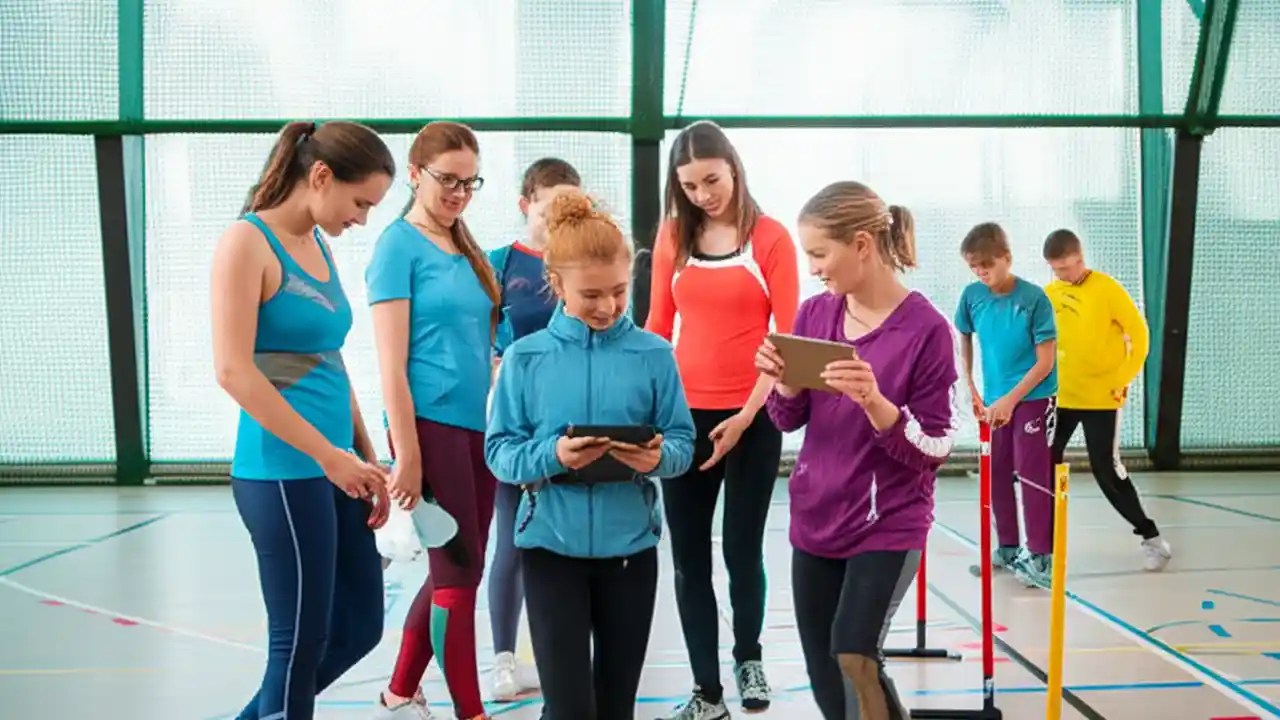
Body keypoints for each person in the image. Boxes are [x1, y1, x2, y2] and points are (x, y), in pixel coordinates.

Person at [484, 190, 696, 720]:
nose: (607, 307)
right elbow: (500, 452)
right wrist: (553, 455)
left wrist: (659, 458)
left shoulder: (654, 354)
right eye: (591, 295)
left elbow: (682, 443)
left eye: (620, 292)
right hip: (550, 550)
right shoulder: (523, 358)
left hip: (630, 551)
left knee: (616, 706)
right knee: (570, 708)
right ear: (556, 285)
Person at [754, 181, 959, 720]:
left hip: (887, 523)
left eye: (820, 254)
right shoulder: (815, 315)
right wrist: (786, 386)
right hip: (815, 518)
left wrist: (875, 402)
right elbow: (787, 419)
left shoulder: (927, 331)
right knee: (825, 671)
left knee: (854, 654)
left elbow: (936, 445)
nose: (814, 268)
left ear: (863, 245)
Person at [212, 120, 395, 720]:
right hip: (282, 473)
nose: (363, 219)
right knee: (298, 642)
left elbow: (328, 358)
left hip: (335, 467)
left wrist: (363, 454)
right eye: (360, 201)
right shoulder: (246, 242)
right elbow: (234, 371)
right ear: (320, 176)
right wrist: (328, 455)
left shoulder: (317, 244)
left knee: (362, 624)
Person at [645, 119, 799, 719]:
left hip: (755, 416)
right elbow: (658, 328)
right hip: (684, 417)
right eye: (690, 186)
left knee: (741, 548)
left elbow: (783, 339)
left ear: (733, 167)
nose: (703, 194)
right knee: (688, 556)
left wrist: (744, 417)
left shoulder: (771, 239)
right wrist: (655, 413)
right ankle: (706, 691)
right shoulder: (672, 238)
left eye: (712, 180)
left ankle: (749, 657)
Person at [366, 120, 498, 720]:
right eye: (448, 180)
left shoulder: (462, 246)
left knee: (458, 568)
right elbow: (390, 365)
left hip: (477, 432)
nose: (459, 193)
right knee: (458, 575)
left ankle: (399, 691)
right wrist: (408, 454)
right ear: (415, 173)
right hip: (429, 430)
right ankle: (470, 713)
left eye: (470, 183)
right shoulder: (398, 246)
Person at [484, 157, 582, 701]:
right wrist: (494, 363)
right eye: (550, 207)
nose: (560, 217)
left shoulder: (584, 264)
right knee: (512, 540)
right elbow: (478, 336)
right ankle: (503, 661)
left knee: (567, 544)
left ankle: (558, 655)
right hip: (516, 419)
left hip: (573, 419)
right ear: (527, 205)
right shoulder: (497, 264)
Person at [1042, 229, 1172, 571]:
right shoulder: (1049, 294)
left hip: (1101, 397)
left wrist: (1121, 378)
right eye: (1057, 271)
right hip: (1061, 397)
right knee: (1042, 463)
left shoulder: (1107, 288)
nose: (1063, 276)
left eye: (1068, 268)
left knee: (1106, 469)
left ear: (1080, 259)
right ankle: (1042, 548)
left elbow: (1140, 336)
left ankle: (1152, 538)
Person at [955, 222, 1058, 588]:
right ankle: (1009, 548)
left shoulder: (1034, 300)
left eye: (987, 265)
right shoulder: (972, 297)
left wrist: (1011, 400)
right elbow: (964, 340)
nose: (982, 273)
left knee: (1032, 475)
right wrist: (971, 388)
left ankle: (1042, 558)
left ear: (1007, 258)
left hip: (1032, 398)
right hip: (994, 402)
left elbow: (1045, 362)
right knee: (995, 473)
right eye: (974, 267)